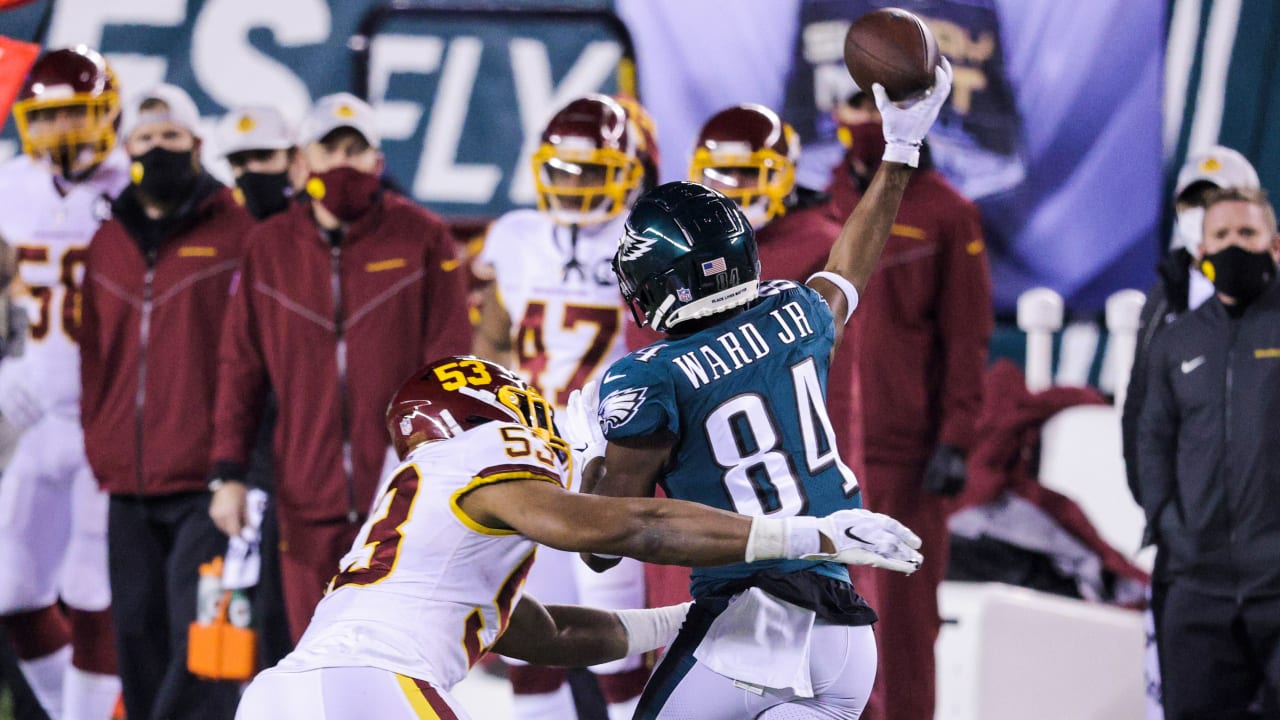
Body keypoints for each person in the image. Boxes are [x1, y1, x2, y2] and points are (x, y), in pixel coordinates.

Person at [233, 354, 921, 720]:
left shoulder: (430, 518)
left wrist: (686, 619)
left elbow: (551, 635)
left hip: (279, 695)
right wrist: (813, 535)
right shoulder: (485, 454)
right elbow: (634, 525)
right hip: (368, 689)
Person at [586, 61, 953, 719]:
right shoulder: (796, 312)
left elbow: (603, 546)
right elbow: (850, 268)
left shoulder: (648, 375)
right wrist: (900, 154)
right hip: (846, 636)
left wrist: (589, 452)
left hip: (751, 630)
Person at [210, 92, 471, 645]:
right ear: (303, 163)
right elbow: (240, 368)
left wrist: (444, 470)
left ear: (378, 163)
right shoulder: (269, 246)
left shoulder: (422, 235)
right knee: (315, 652)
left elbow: (452, 365)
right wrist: (229, 474)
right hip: (305, 494)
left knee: (402, 651)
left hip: (404, 494)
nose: (344, 164)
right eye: (331, 150)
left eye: (357, 151)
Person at [473, 93, 657, 720]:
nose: (576, 185)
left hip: (613, 462)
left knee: (621, 647)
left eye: (594, 170)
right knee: (529, 638)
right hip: (535, 455)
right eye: (565, 169)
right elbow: (493, 336)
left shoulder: (647, 238)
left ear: (630, 170)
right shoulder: (518, 236)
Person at [79, 83, 253, 720]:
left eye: (171, 137)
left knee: (201, 646)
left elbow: (249, 354)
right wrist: (101, 444)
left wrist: (235, 462)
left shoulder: (238, 231)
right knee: (136, 638)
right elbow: (95, 354)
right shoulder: (108, 240)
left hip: (207, 480)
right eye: (146, 140)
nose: (158, 149)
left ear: (197, 144)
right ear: (128, 149)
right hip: (127, 477)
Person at [824, 84, 992, 720]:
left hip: (904, 457)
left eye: (879, 109)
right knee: (819, 630)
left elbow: (966, 337)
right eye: (857, 106)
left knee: (900, 632)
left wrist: (954, 438)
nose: (866, 120)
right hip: (821, 451)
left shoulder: (949, 213)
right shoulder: (823, 205)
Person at [0, 45, 127, 720]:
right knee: (13, 589)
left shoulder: (137, 182)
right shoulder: (9, 185)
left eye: (76, 115)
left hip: (108, 414)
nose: (62, 133)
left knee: (91, 590)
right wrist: (4, 366)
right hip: (31, 413)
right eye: (48, 119)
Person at [1120, 144, 1260, 715]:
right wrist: (1162, 513)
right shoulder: (1164, 298)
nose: (1204, 212)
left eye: (1218, 198)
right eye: (1194, 201)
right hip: (1185, 546)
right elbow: (1141, 418)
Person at [208, 105, 311, 670]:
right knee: (256, 619)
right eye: (241, 161)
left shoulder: (323, 235)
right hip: (259, 456)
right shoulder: (230, 237)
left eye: (264, 157)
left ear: (295, 159)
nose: (252, 171)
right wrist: (229, 466)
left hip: (317, 451)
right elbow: (236, 363)